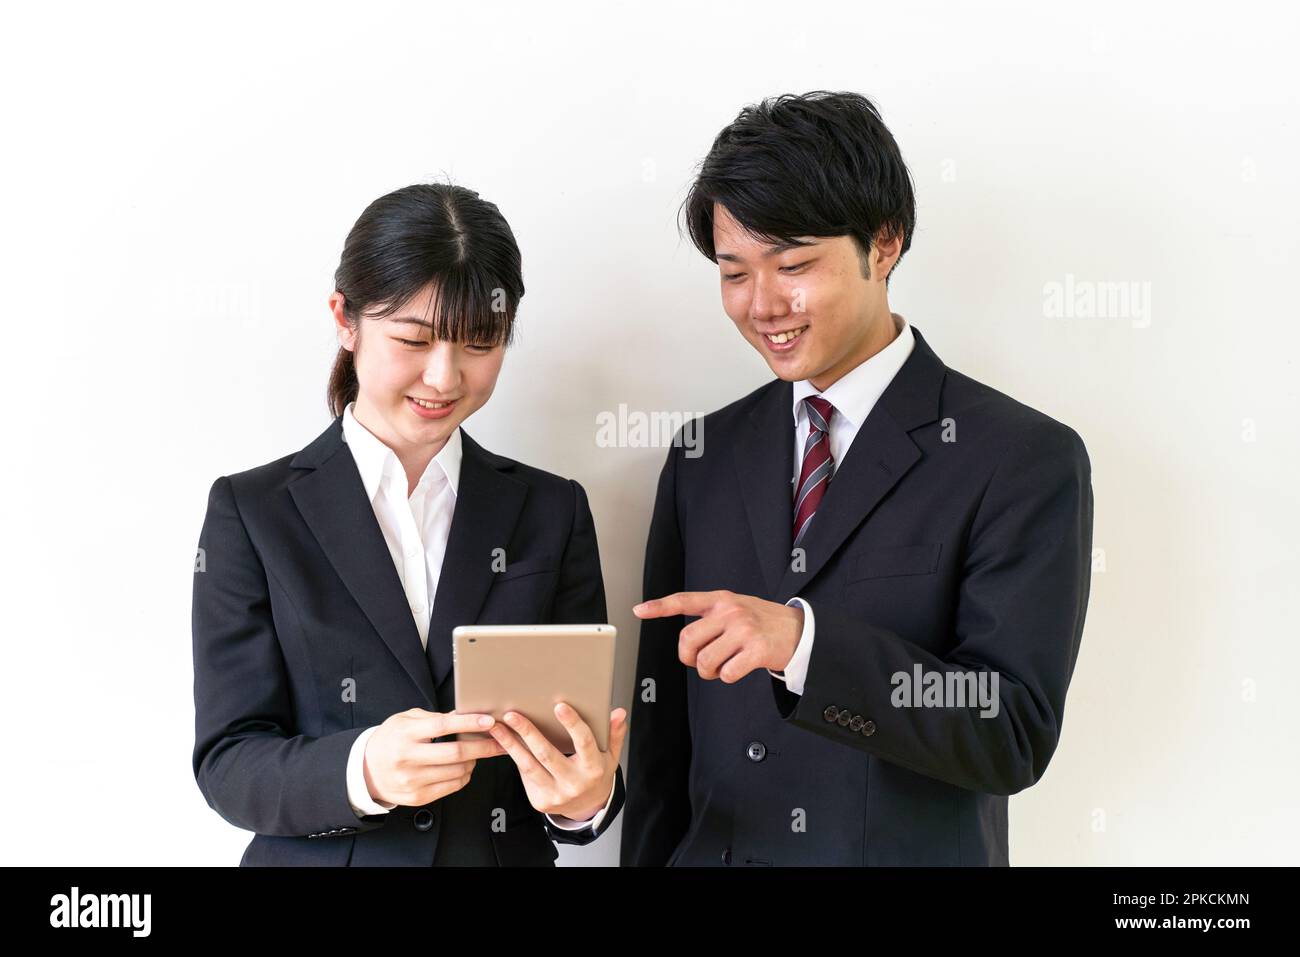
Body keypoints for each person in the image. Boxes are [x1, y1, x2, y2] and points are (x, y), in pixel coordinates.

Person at [621, 92, 1094, 866]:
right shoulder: (703, 453)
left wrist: (805, 645)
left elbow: (1009, 729)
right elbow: (664, 745)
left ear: (886, 242)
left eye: (795, 264)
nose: (763, 303)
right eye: (735, 272)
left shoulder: (1022, 458)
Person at [192, 183, 625, 866]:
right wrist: (362, 769)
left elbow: (573, 746)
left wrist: (585, 802)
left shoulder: (552, 510)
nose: (444, 376)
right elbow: (228, 760)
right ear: (345, 318)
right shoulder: (254, 512)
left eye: (480, 343)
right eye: (413, 339)